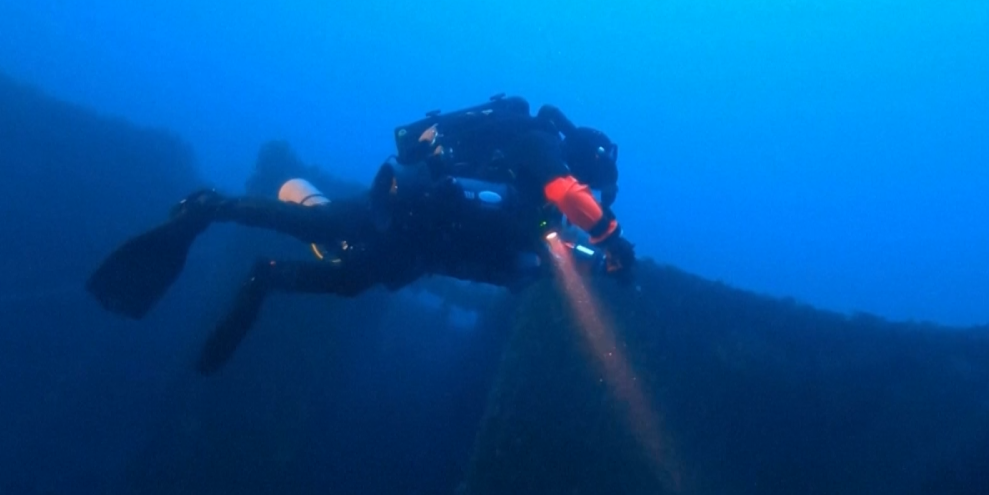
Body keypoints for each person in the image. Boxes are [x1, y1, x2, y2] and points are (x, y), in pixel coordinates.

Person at [87, 95, 636, 374]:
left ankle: (261, 267)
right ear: (587, 162)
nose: (593, 199)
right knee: (319, 227)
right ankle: (214, 208)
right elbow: (567, 194)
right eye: (597, 187)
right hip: (411, 213)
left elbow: (553, 243)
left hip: (419, 238)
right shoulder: (543, 147)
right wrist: (612, 238)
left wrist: (596, 259)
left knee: (340, 260)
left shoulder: (537, 194)